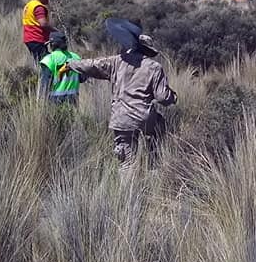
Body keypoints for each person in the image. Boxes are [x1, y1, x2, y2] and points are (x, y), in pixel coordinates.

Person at [58, 19, 176, 170]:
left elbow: (92, 64)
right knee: (158, 127)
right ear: (148, 50)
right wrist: (173, 97)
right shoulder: (154, 67)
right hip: (144, 118)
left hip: (121, 119)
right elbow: (163, 97)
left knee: (126, 163)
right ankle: (153, 164)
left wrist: (70, 65)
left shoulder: (116, 62)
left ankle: (128, 190)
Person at [38, 31, 84, 106]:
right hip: (73, 99)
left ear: (52, 45)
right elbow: (82, 78)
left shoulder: (50, 59)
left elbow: (45, 84)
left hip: (55, 100)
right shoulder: (76, 57)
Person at [22, 0, 55, 65]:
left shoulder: (29, 4)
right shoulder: (39, 7)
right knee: (46, 64)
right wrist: (56, 31)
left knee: (40, 62)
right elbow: (43, 24)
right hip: (36, 38)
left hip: (29, 38)